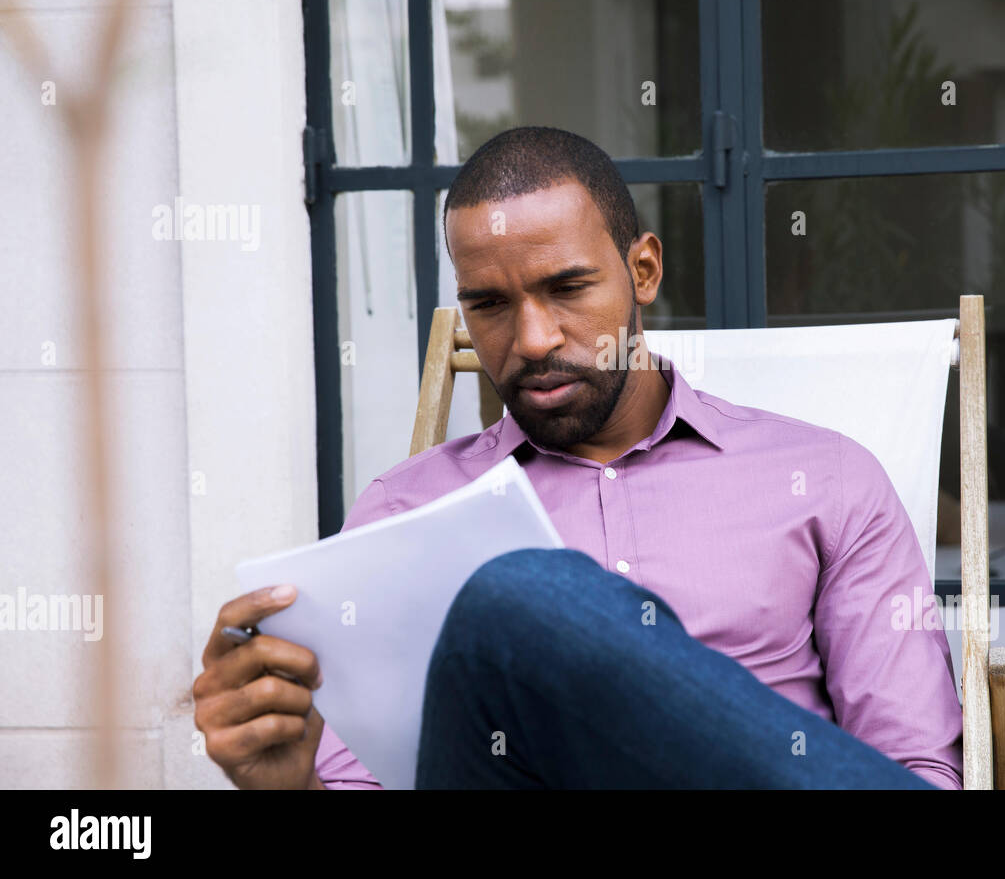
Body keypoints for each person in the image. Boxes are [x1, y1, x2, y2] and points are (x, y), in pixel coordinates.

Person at [192, 126, 963, 789]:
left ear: (644, 271)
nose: (532, 340)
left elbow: (916, 768)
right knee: (519, 597)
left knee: (523, 590)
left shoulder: (826, 480)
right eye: (489, 305)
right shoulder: (406, 512)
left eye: (567, 287)